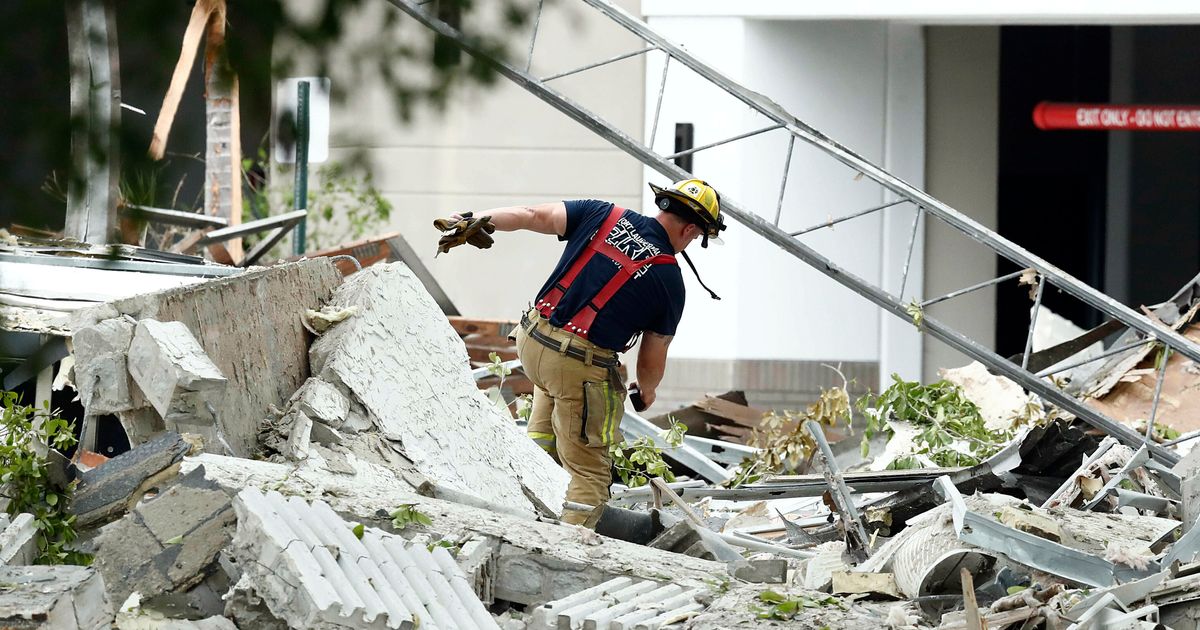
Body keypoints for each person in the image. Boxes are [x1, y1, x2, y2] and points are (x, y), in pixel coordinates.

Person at [453, 179, 724, 525]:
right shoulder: (669, 280)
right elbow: (652, 358)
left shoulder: (603, 212)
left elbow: (530, 215)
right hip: (573, 366)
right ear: (690, 230)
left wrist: (474, 219)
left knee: (543, 433)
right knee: (589, 476)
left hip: (532, 342)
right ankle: (562, 552)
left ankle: (527, 486)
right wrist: (647, 390)